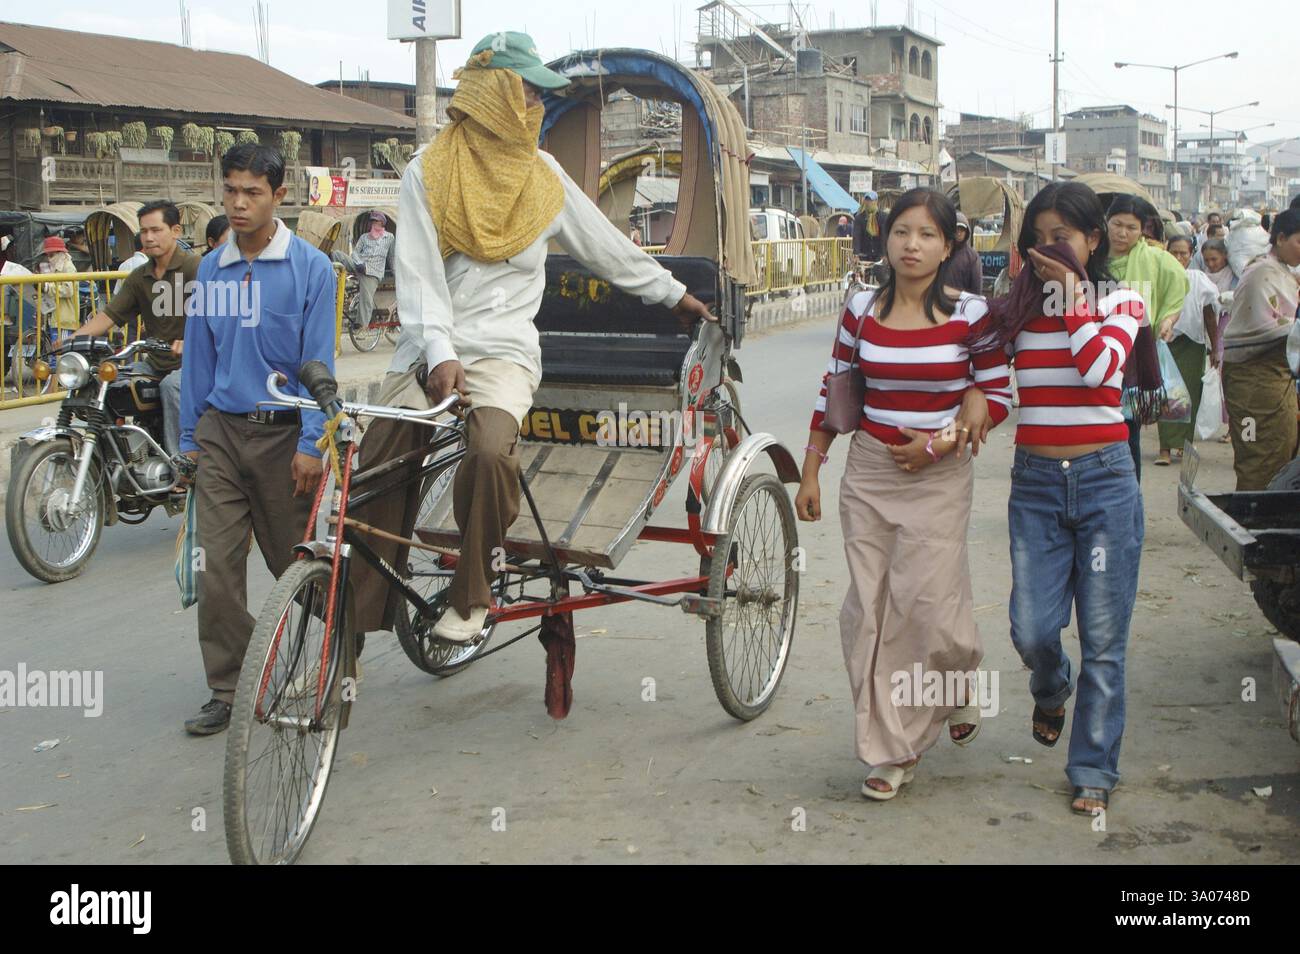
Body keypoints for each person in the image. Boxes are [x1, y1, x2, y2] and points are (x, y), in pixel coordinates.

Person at [347, 32, 716, 645]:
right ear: (493, 93)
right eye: (524, 91)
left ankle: (472, 593)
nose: (532, 106)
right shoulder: (427, 173)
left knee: (491, 453)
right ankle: (355, 617)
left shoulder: (541, 175)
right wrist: (439, 356)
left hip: (504, 353)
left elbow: (605, 246)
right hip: (429, 349)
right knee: (378, 461)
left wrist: (672, 293)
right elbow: (416, 276)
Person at [795, 188, 1010, 801]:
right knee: (868, 610)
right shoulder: (860, 307)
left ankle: (954, 680)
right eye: (901, 233)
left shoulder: (973, 313)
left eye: (927, 235)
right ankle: (895, 749)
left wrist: (938, 444)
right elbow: (834, 388)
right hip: (869, 472)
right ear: (884, 240)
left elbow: (997, 395)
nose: (912, 245)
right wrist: (812, 469)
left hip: (938, 478)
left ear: (948, 246)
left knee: (929, 609)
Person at [981, 181, 1147, 817]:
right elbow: (984, 371)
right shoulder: (1017, 310)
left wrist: (1075, 299)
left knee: (1104, 639)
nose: (1049, 250)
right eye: (1039, 239)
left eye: (1064, 237)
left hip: (1106, 482)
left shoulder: (1120, 301)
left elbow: (1102, 371)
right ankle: (1051, 689)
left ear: (1093, 241)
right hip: (1037, 485)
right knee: (1031, 628)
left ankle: (1093, 768)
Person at [177, 144, 336, 735]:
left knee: (291, 562)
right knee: (215, 567)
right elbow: (199, 360)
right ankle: (231, 687)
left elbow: (319, 364)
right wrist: (190, 440)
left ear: (279, 195)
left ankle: (341, 647)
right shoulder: (212, 270)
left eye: (253, 192)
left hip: (284, 436)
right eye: (231, 191)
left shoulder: (310, 270)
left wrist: (313, 444)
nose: (239, 204)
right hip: (221, 432)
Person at [74, 200, 198, 457]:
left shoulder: (195, 267)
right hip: (155, 362)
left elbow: (221, 318)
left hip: (198, 364)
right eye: (144, 231)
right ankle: (117, 459)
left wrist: (193, 342)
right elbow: (108, 316)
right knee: (107, 382)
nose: (149, 237)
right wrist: (72, 340)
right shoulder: (139, 276)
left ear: (175, 231)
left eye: (156, 230)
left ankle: (182, 465)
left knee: (172, 386)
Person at [1106, 194, 1188, 479]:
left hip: (1134, 359)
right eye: (1117, 224)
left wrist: (1168, 316)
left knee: (1128, 433)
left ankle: (1130, 501)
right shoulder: (1093, 255)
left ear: (1142, 230)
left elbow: (1179, 282)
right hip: (1099, 354)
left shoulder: (1154, 258)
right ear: (1107, 222)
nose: (1123, 233)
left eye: (1132, 227)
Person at [1221, 208, 1300, 491]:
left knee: (1280, 447)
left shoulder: (1283, 272)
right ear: (1280, 238)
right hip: (1252, 386)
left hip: (1276, 384)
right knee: (1256, 449)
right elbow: (1263, 328)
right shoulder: (1263, 273)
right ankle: (1250, 518)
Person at [1154, 235, 1222, 463]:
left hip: (1193, 344)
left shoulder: (1198, 279)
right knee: (1167, 394)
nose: (1179, 257)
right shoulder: (1159, 276)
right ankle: (1164, 449)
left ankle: (1184, 445)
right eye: (1174, 252)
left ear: (1191, 255)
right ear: (1167, 252)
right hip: (1165, 342)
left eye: (1183, 253)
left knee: (1190, 395)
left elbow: (1209, 315)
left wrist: (1216, 348)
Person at [349, 211, 395, 329]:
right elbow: (355, 252)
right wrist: (359, 263)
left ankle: (361, 327)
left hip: (372, 273)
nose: (374, 224)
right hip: (359, 266)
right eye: (372, 222)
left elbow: (391, 257)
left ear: (382, 223)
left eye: (377, 222)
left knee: (366, 299)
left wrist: (396, 274)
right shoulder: (364, 237)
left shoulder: (389, 237)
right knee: (337, 255)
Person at [36, 236, 80, 336]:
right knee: (56, 350)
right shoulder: (56, 267)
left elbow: (68, 290)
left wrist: (47, 287)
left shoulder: (68, 267)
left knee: (61, 350)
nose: (49, 259)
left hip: (64, 321)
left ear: (60, 253)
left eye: (51, 255)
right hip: (55, 319)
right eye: (48, 256)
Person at [947, 211, 983, 294]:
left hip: (964, 304)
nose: (959, 233)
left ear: (966, 232)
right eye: (957, 229)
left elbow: (977, 288)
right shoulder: (944, 253)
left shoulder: (972, 257)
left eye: (962, 230)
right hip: (942, 302)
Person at [852, 190, 884, 261]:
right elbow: (856, 236)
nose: (868, 202)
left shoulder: (883, 217)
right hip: (863, 255)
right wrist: (856, 254)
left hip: (879, 255)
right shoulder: (859, 218)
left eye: (871, 200)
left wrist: (884, 254)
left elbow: (884, 236)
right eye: (867, 200)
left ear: (876, 201)